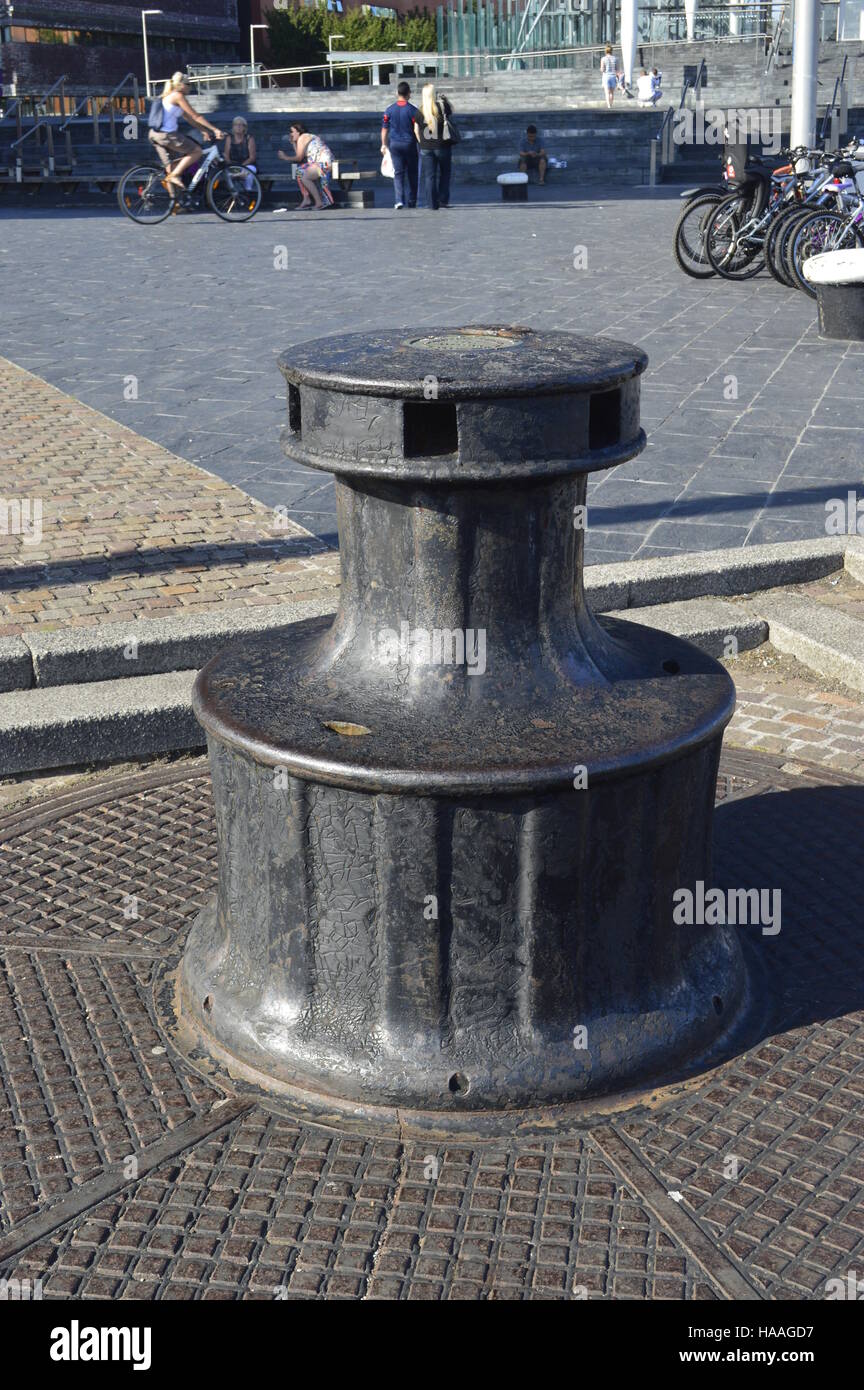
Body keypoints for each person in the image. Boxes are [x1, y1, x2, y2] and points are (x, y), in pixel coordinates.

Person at [148, 72, 223, 194]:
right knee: (197, 151)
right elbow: (195, 116)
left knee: (170, 168)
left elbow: (188, 118)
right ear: (181, 85)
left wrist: (203, 130)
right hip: (167, 135)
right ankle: (176, 175)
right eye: (188, 84)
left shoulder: (169, 96)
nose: (190, 87)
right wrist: (215, 129)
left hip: (155, 135)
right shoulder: (178, 96)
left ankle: (175, 203)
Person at [415, 83, 456, 210]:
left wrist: (421, 143)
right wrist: (445, 100)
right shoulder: (441, 107)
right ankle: (443, 200)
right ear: (434, 94)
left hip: (426, 148)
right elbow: (452, 111)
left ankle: (432, 204)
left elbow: (416, 130)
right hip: (442, 146)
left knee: (429, 176)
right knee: (445, 173)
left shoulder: (419, 111)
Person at [381, 81, 419, 210]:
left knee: (398, 173)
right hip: (409, 144)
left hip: (395, 144)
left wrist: (383, 144)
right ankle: (412, 199)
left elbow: (384, 129)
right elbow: (417, 129)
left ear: (397, 93)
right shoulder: (413, 110)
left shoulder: (389, 110)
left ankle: (399, 200)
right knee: (412, 173)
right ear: (409, 94)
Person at [278, 122, 334, 210]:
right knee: (299, 171)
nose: (290, 134)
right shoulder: (303, 138)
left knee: (304, 176)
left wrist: (285, 157)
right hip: (319, 164)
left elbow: (299, 158)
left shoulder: (303, 137)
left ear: (298, 132)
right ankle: (306, 198)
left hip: (325, 165)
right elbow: (299, 155)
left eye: (292, 131)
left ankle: (319, 202)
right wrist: (293, 143)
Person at [223, 116, 258, 190]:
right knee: (226, 172)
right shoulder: (229, 138)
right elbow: (226, 156)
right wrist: (231, 165)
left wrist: (241, 166)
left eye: (241, 125)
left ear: (244, 127)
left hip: (247, 165)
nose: (238, 127)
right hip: (233, 165)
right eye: (236, 124)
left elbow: (252, 157)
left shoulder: (249, 138)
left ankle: (248, 190)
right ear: (233, 127)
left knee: (249, 170)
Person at [600, 44, 619, 109]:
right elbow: (617, 69)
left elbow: (602, 69)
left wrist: (601, 70)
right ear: (611, 51)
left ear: (605, 51)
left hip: (606, 76)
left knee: (607, 92)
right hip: (613, 76)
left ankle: (609, 106)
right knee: (611, 93)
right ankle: (611, 104)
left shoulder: (603, 59)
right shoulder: (615, 58)